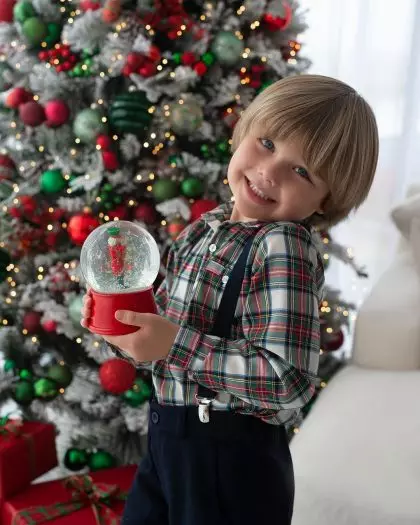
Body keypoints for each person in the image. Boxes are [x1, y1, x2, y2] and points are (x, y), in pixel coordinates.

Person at [81, 74, 379, 525]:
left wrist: (173, 344)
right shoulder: (204, 229)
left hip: (228, 464)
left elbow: (288, 382)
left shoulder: (284, 247)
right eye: (266, 142)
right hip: (166, 443)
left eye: (301, 171)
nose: (269, 172)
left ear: (326, 200)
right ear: (243, 132)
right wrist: (121, 326)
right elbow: (159, 342)